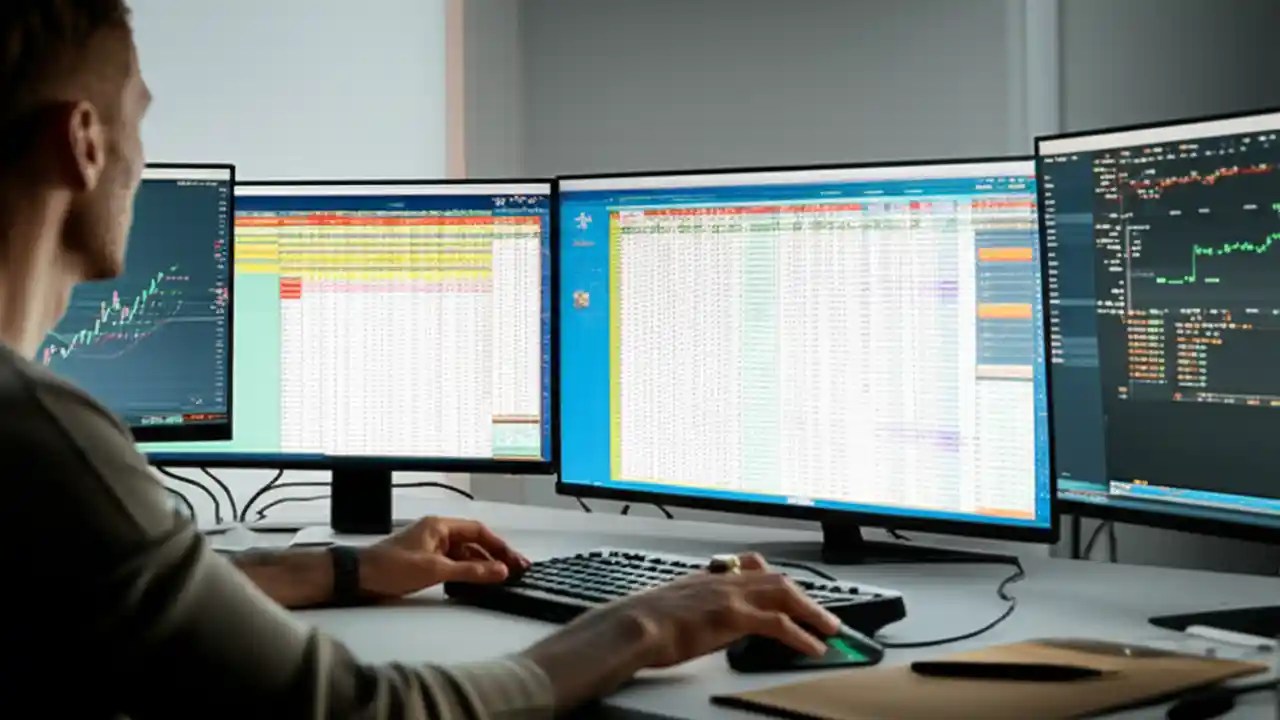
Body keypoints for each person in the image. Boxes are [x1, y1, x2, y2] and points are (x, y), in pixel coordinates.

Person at [0, 2, 840, 717]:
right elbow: (361, 710)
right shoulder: (38, 431)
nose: (144, 161)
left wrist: (353, 566)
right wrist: (642, 623)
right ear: (84, 141)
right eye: (138, 121)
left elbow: (127, 597)